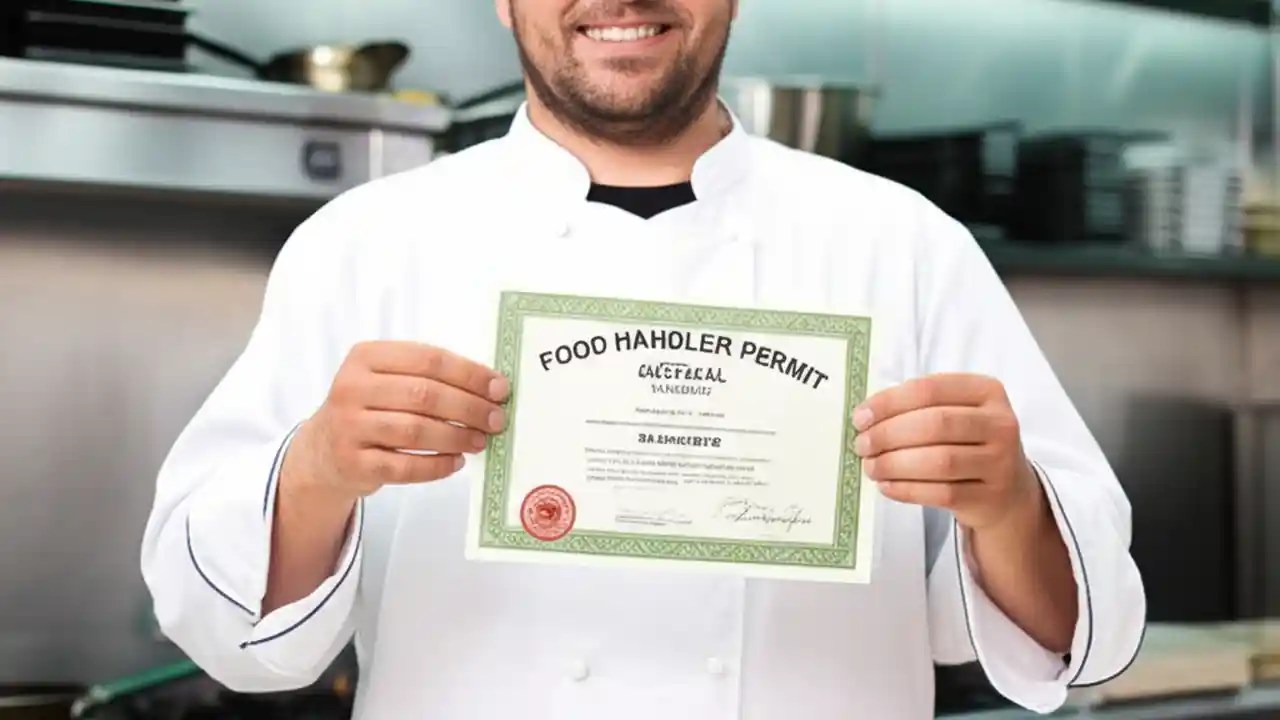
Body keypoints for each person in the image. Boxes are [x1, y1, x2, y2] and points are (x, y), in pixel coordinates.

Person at [140, 0, 1146, 717]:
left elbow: (1074, 641)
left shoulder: (902, 243)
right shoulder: (366, 242)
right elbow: (220, 625)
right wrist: (317, 469)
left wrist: (1007, 503)